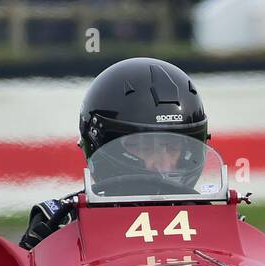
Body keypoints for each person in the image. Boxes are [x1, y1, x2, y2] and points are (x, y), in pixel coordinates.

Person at [19, 57, 209, 251]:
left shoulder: (215, 219)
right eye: (144, 147)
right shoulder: (59, 221)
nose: (163, 165)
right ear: (101, 143)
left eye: (172, 147)